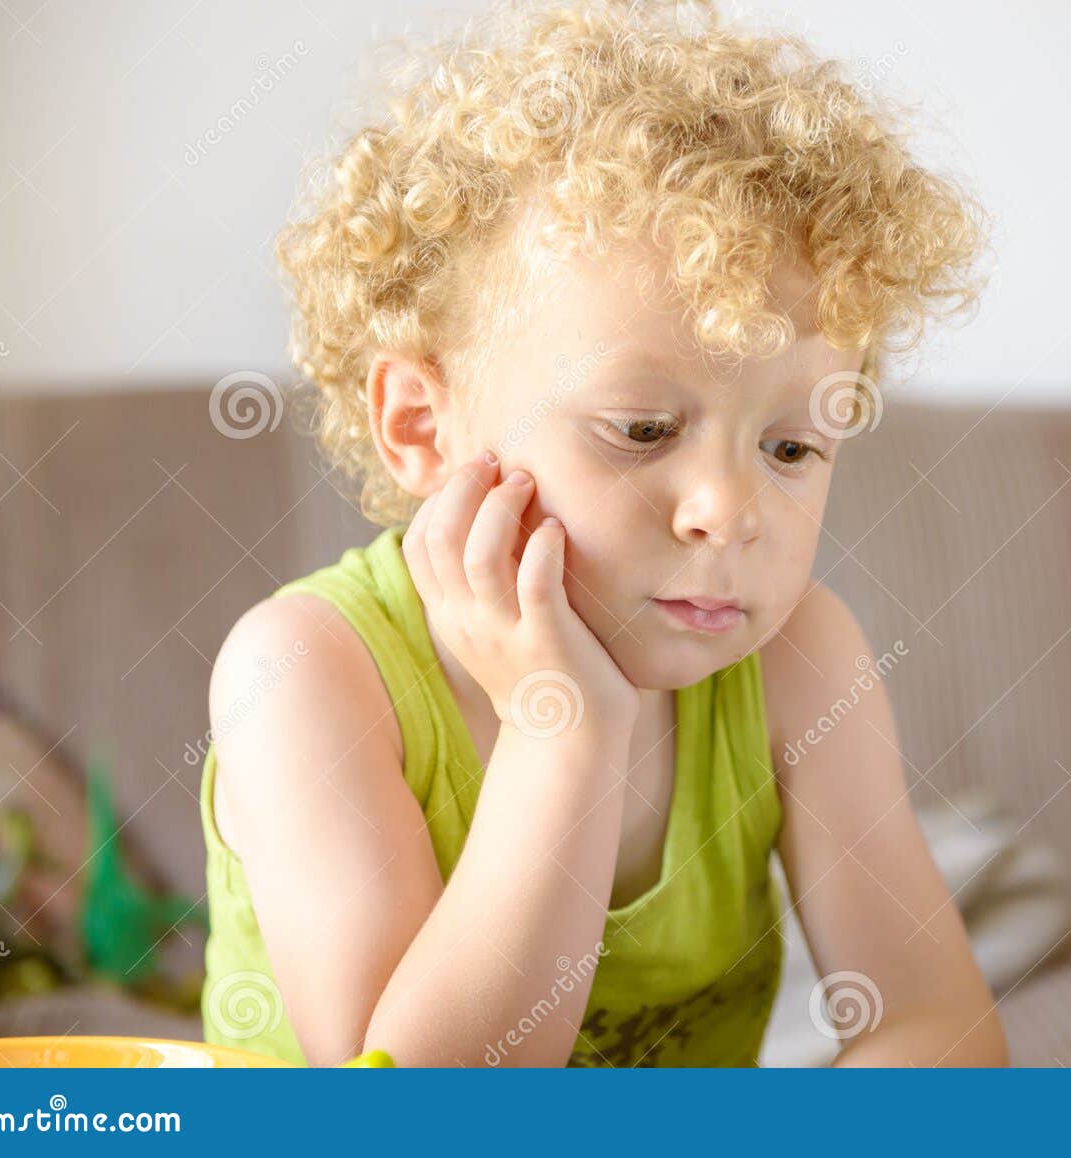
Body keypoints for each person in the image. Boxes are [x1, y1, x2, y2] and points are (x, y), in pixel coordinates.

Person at [199, 0, 1004, 1067]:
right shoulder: (303, 674)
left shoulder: (803, 665)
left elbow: (934, 1023)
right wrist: (562, 732)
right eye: (640, 429)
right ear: (420, 426)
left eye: (792, 447)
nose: (729, 508)